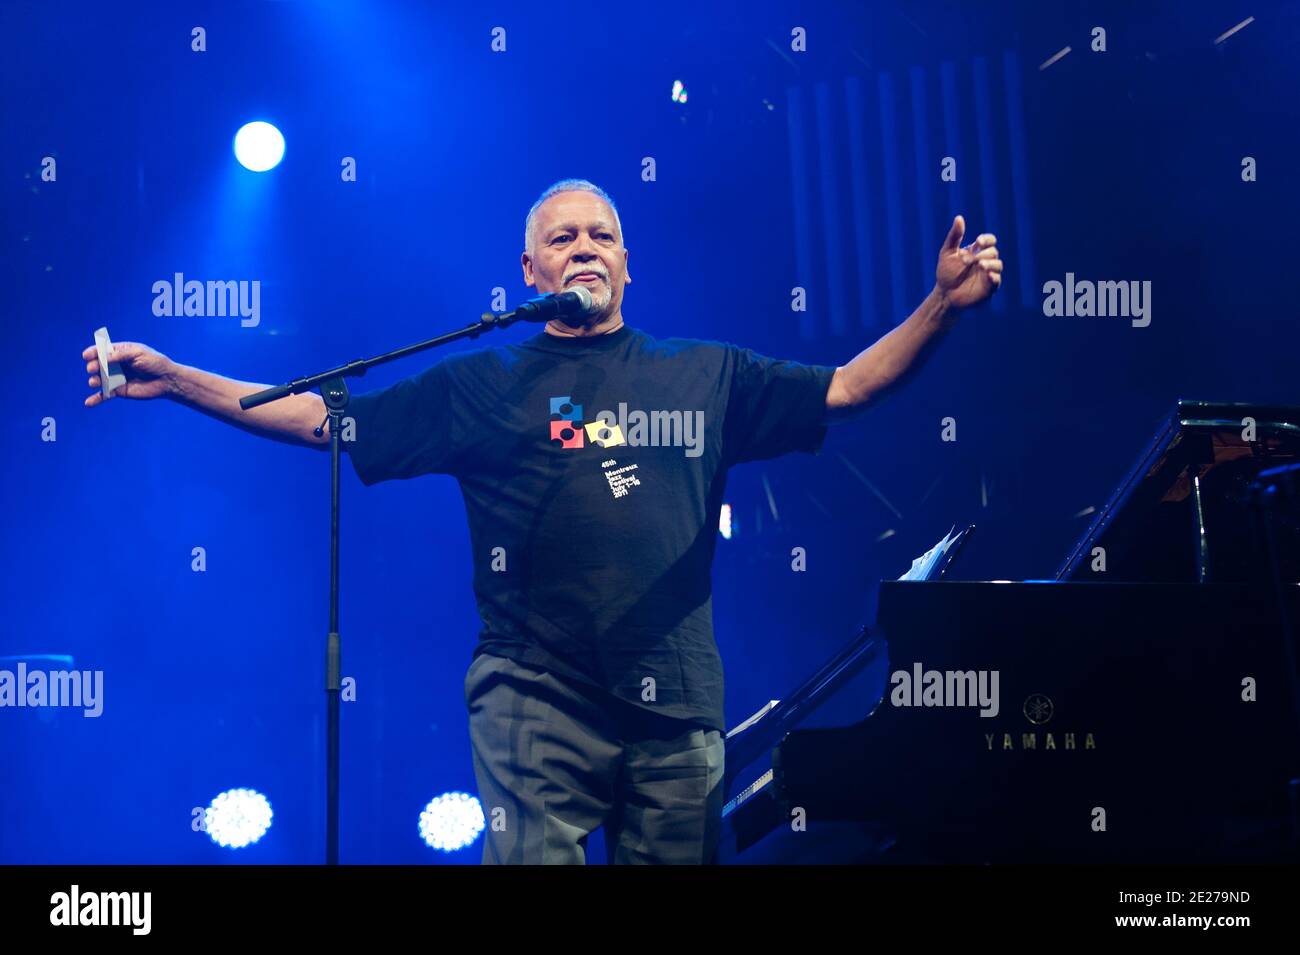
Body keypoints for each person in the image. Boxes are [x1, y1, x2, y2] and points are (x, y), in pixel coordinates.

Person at [81, 178, 1002, 864]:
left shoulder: (707, 373)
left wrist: (939, 307)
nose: (586, 247)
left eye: (603, 234)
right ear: (531, 269)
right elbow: (325, 416)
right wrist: (181, 382)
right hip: (534, 701)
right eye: (564, 238)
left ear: (629, 264)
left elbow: (847, 387)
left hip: (674, 706)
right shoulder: (482, 382)